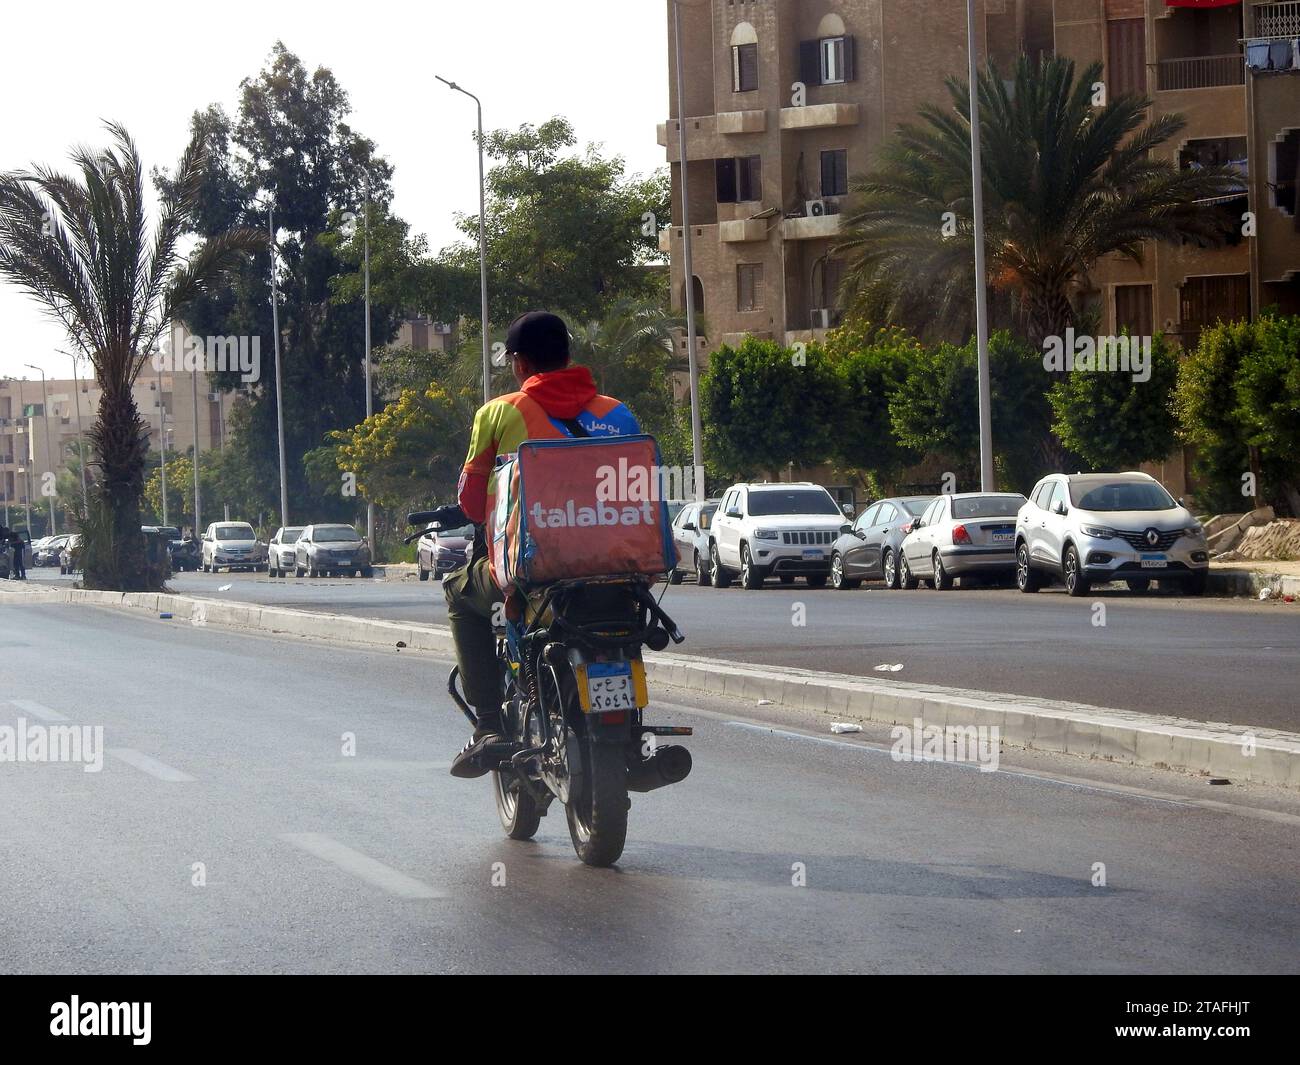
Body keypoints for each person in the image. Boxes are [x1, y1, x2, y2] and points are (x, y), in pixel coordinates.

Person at [444, 311, 640, 778]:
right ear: (569, 356)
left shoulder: (499, 412)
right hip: (615, 567)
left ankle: (489, 723)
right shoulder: (618, 412)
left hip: (536, 571)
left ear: (520, 363)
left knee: (457, 592)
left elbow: (472, 504)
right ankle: (632, 737)